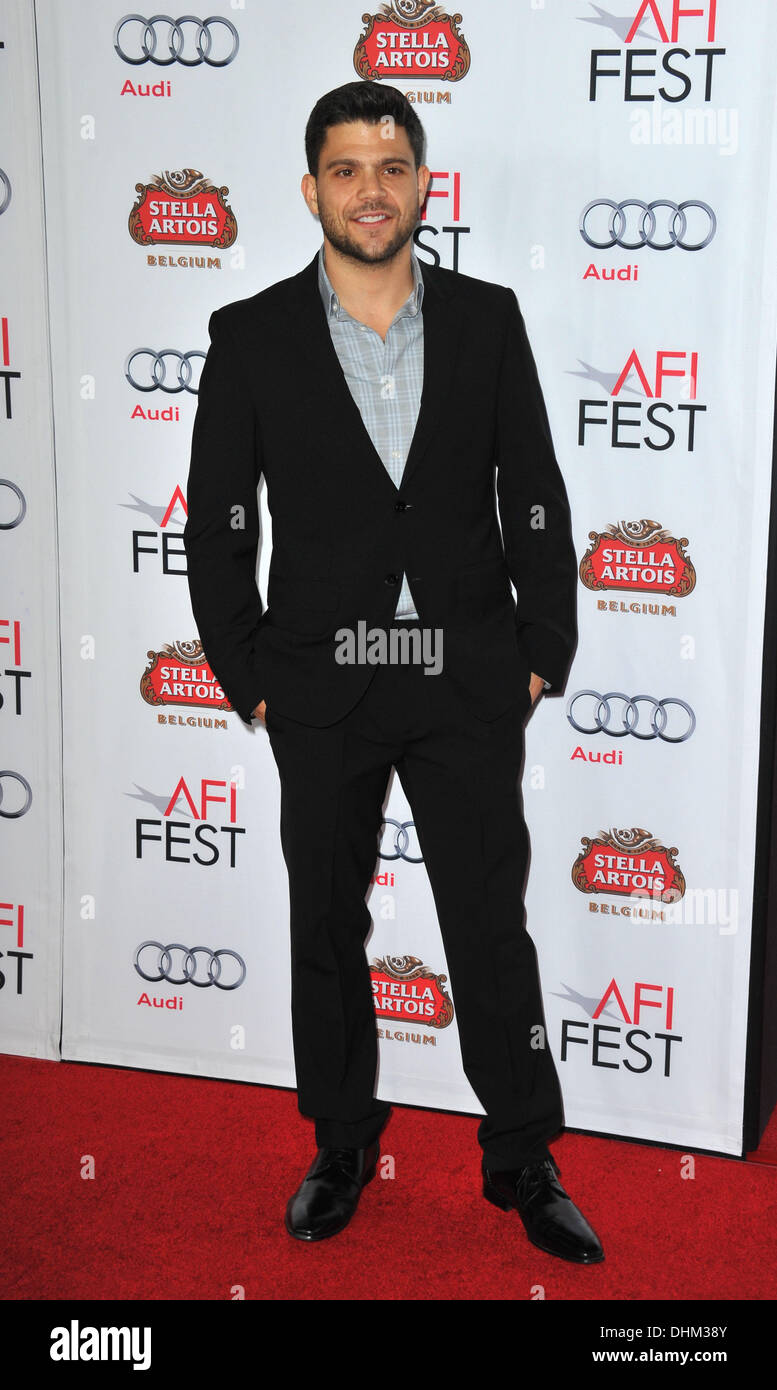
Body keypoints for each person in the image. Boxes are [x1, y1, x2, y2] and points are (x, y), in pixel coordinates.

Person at [184, 81, 603, 1264]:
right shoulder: (252, 335)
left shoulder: (488, 317)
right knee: (326, 924)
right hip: (320, 684)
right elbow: (217, 525)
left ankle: (521, 1153)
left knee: (487, 924)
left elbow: (532, 493)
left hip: (465, 674)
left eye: (392, 164)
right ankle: (340, 1142)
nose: (372, 188)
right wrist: (250, 675)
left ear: (423, 182)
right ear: (311, 188)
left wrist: (542, 649)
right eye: (347, 167)